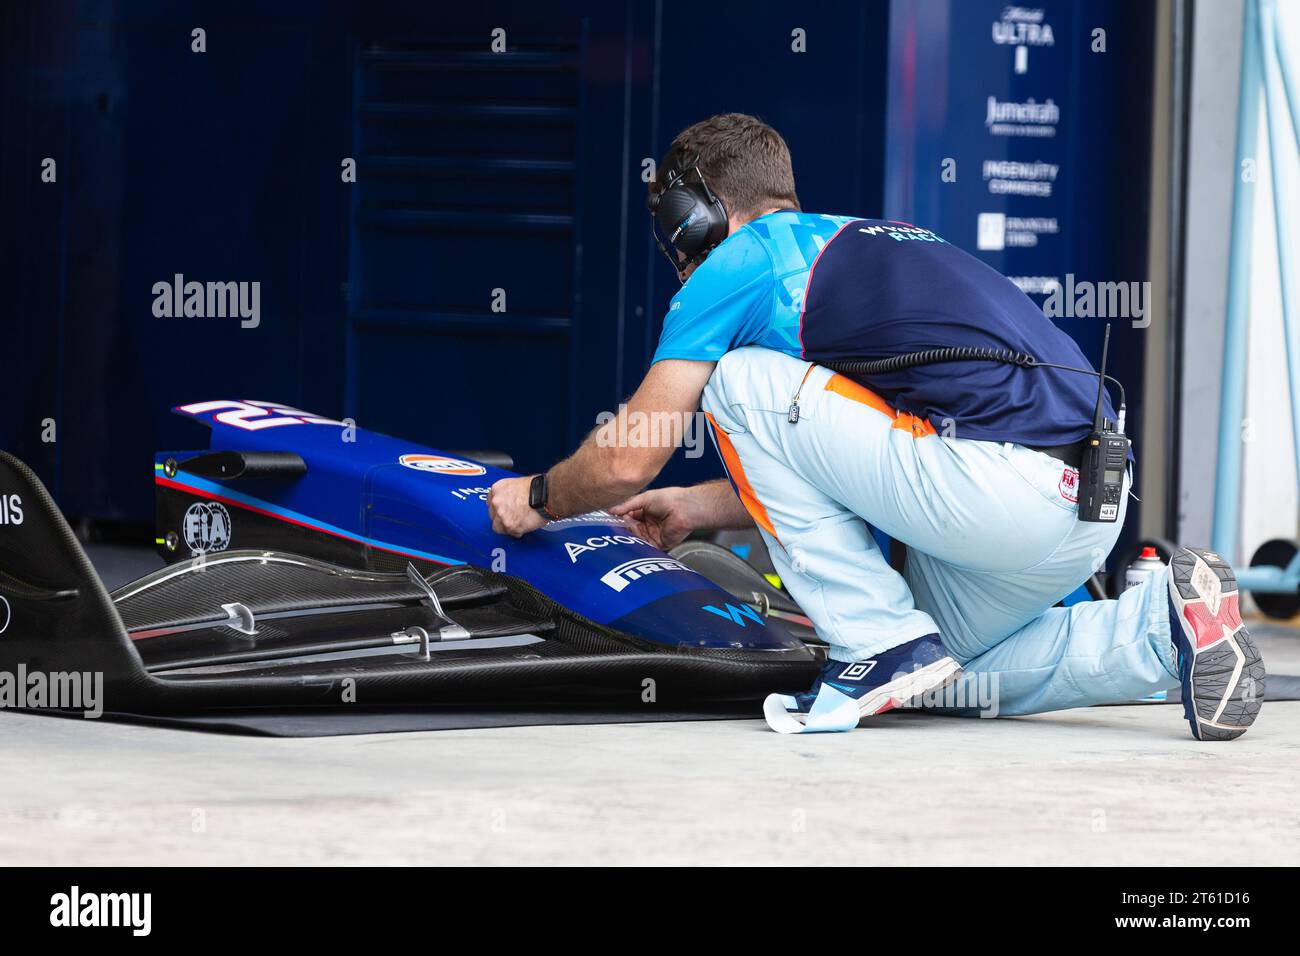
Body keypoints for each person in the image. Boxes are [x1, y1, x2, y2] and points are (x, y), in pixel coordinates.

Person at [487, 112, 1264, 738]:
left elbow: (630, 457)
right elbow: (863, 452)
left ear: (695, 216)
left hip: (998, 492)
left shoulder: (741, 260)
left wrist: (541, 495)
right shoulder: (877, 244)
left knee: (733, 382)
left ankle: (874, 639)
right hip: (1085, 507)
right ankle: (1162, 627)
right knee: (946, 681)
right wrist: (697, 507)